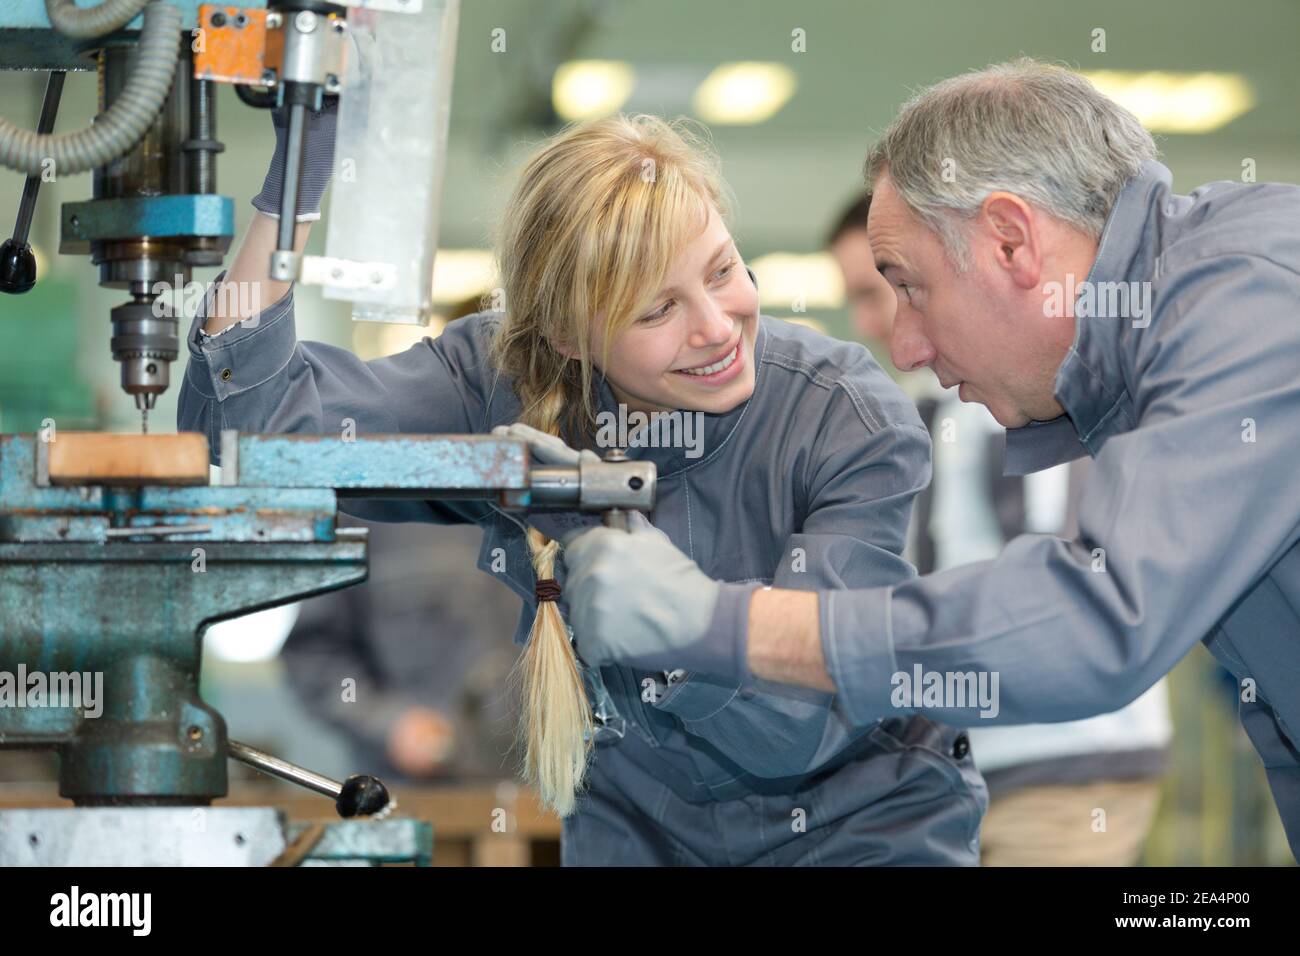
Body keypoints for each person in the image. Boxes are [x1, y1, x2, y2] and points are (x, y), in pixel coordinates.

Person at [179, 109, 987, 865]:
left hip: (857, 825)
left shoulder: (842, 417)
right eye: (656, 309)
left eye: (723, 270)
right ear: (568, 336)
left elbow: (799, 724)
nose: (714, 325)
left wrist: (611, 549)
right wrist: (291, 193)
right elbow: (259, 433)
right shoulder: (503, 384)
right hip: (636, 821)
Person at [561, 58, 1300, 860]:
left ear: (1011, 241)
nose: (905, 346)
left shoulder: (1246, 298)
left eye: (909, 287)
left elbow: (1099, 619)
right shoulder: (1168, 335)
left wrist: (721, 624)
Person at [829, 194, 1171, 865]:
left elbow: (1058, 589)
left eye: (890, 290)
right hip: (971, 763)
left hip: (1064, 761)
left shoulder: (1009, 397)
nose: (876, 322)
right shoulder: (926, 416)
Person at [281, 520, 521, 783]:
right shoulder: (360, 514)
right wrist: (390, 723)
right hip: (414, 794)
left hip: (540, 796)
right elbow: (315, 657)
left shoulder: (539, 511)